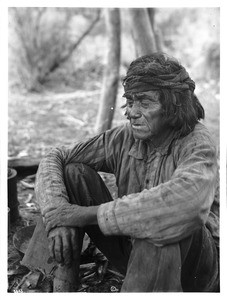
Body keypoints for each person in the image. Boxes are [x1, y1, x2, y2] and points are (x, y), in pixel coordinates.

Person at [22, 52, 219, 292]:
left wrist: (83, 215)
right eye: (131, 101)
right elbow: (56, 156)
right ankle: (59, 283)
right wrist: (57, 216)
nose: (132, 112)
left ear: (173, 107)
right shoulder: (124, 137)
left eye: (145, 103)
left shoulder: (197, 142)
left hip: (191, 267)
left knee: (159, 228)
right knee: (73, 172)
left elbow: (183, 204)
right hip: (133, 253)